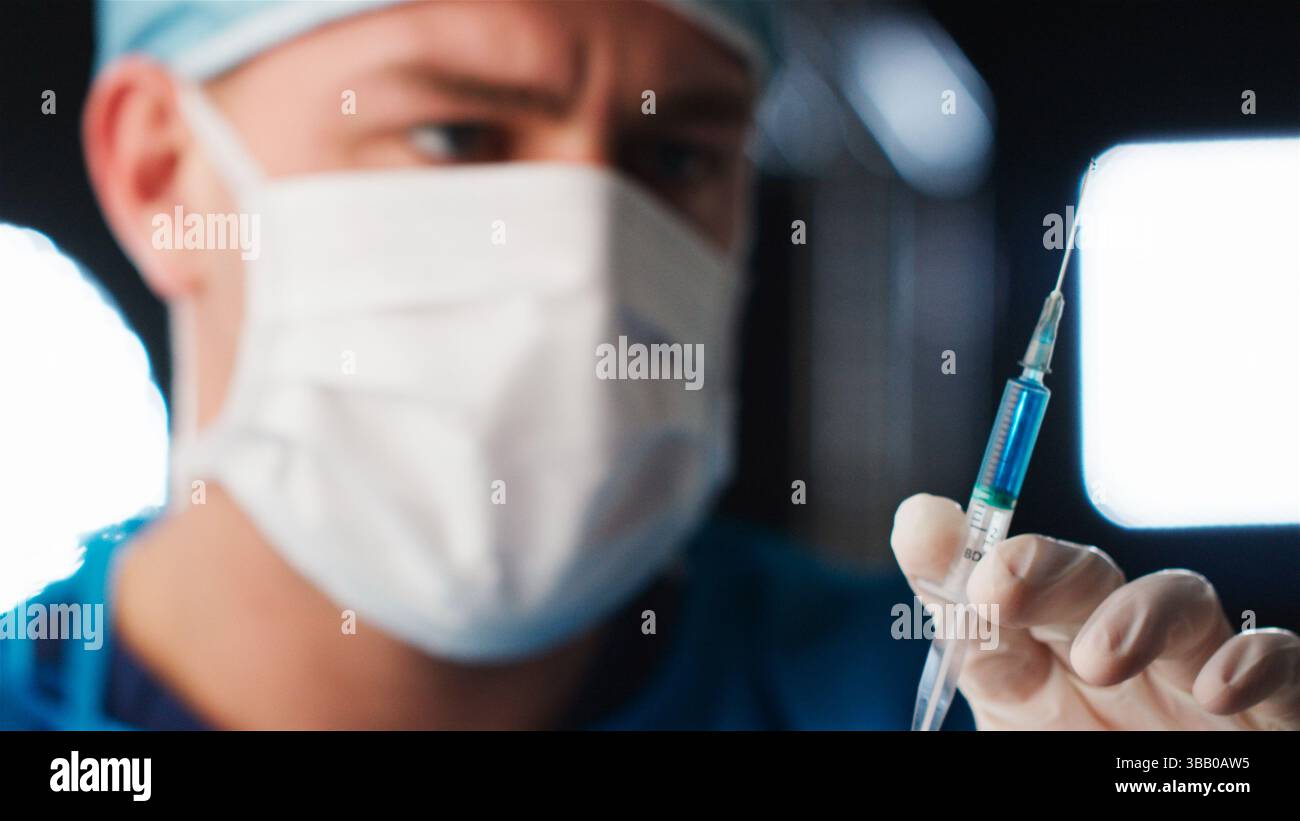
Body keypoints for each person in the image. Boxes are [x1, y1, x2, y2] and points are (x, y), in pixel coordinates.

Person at [1, 0, 1296, 730]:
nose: (587, 257)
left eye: (678, 157)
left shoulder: (948, 692)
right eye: (457, 133)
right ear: (163, 171)